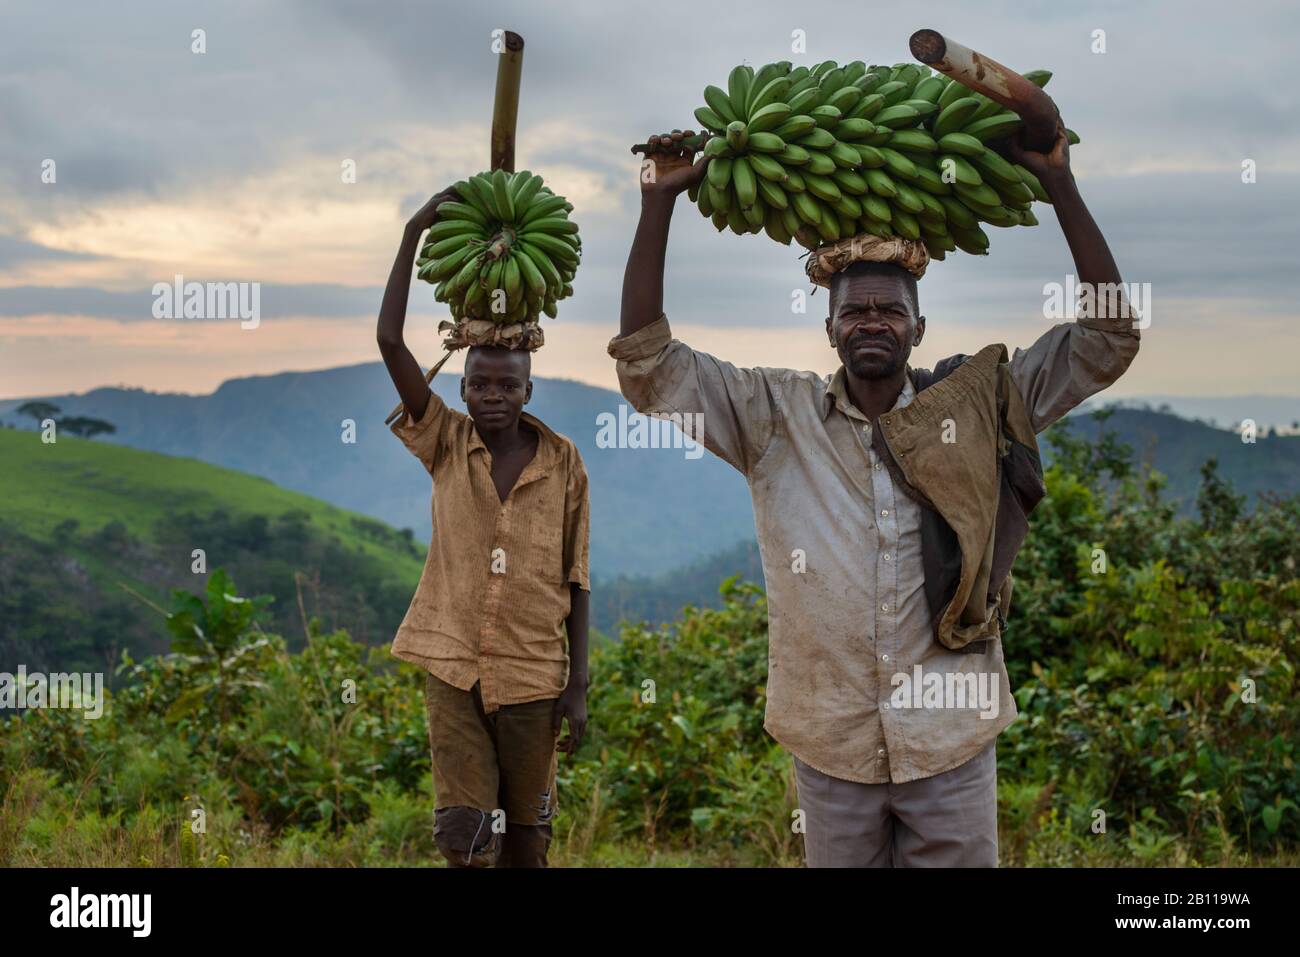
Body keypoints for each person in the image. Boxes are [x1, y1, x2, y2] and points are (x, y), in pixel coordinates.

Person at [611, 123, 1140, 867]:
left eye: (889, 310)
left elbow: (1108, 338)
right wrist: (658, 205)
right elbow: (648, 368)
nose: (872, 322)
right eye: (854, 310)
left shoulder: (980, 402)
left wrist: (1059, 183)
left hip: (949, 742)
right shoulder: (774, 418)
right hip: (832, 746)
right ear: (829, 327)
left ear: (918, 327)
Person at [377, 187, 591, 868]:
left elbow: (577, 577)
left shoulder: (562, 463)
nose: (492, 397)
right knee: (466, 837)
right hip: (453, 667)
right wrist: (413, 231)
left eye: (506, 386)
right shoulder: (444, 441)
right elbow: (388, 339)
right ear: (462, 388)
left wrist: (578, 685)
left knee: (527, 840)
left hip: (534, 675)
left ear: (529, 390)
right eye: (480, 385)